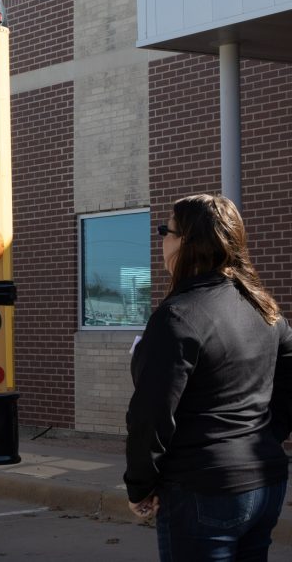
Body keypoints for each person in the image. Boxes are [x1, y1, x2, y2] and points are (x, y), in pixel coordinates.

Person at [125, 194, 292, 561]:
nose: (162, 240)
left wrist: (139, 486)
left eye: (164, 231)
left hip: (202, 490)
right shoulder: (265, 310)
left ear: (187, 243)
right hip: (264, 482)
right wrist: (269, 436)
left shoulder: (178, 316)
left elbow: (151, 415)